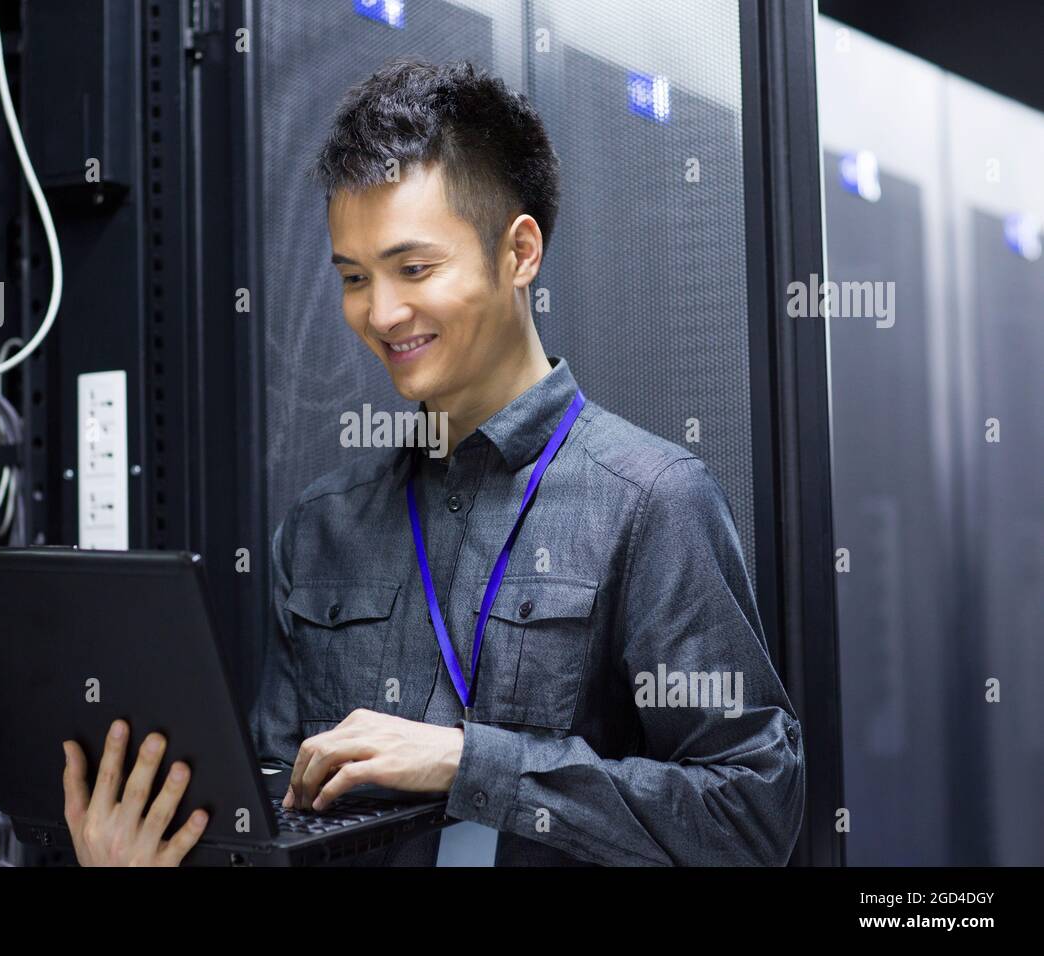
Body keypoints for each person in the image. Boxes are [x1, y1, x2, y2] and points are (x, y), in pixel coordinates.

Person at [62, 57, 805, 867]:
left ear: (519, 252)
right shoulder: (324, 525)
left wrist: (469, 763)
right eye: (354, 277)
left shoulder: (651, 501)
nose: (380, 314)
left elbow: (750, 812)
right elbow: (282, 816)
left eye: (414, 269)